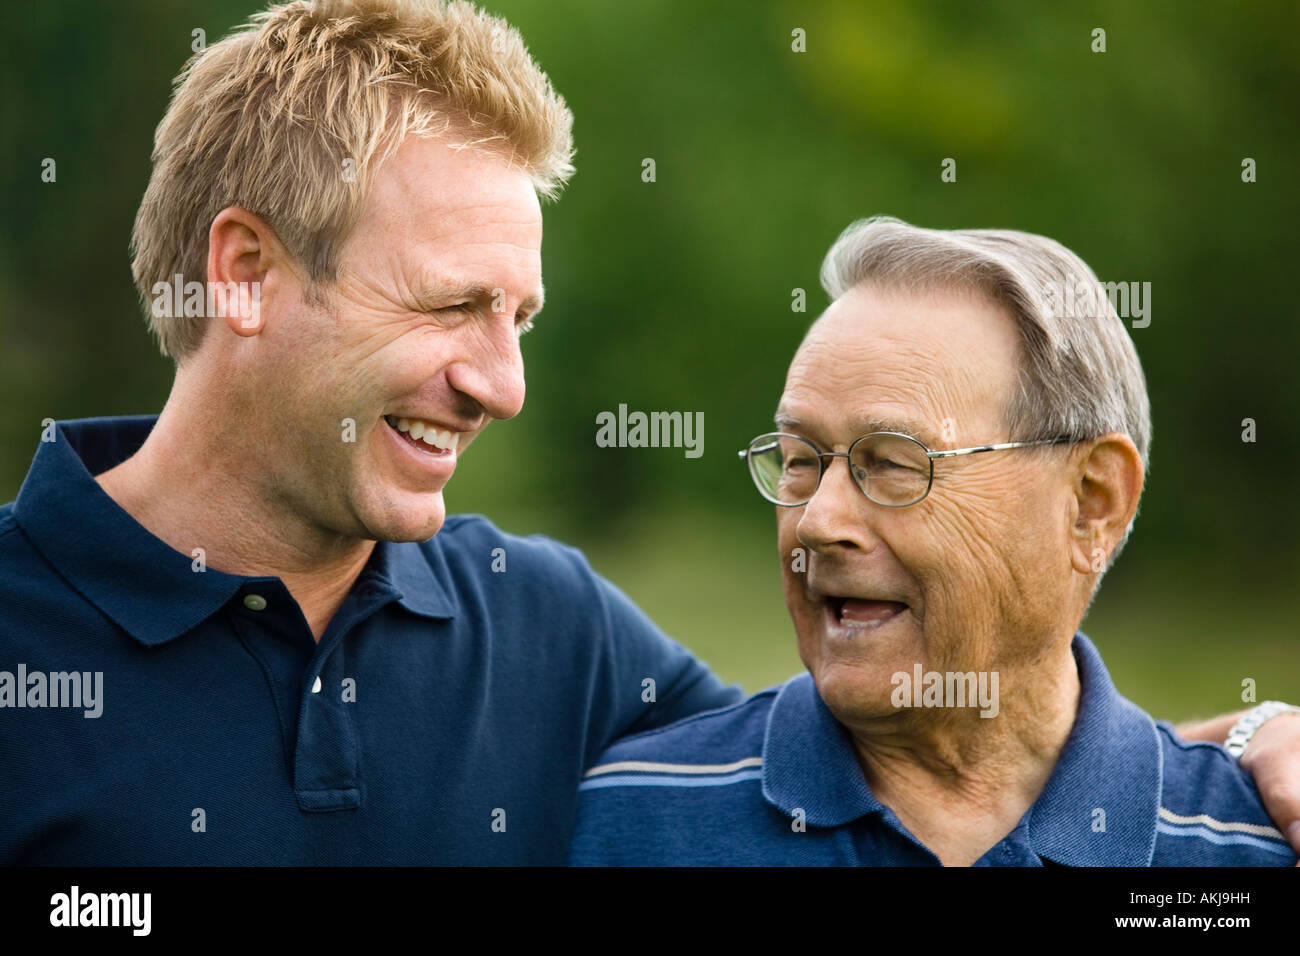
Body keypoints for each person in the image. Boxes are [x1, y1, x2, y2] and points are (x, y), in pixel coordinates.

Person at [0, 1, 1295, 865]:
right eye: (454, 305)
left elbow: (915, 727)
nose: (501, 384)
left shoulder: (545, 627)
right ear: (243, 272)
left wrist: (1233, 749)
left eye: (519, 316)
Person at [569, 217, 1300, 866]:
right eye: (800, 460)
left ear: (1090, 504)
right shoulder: (634, 821)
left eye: (889, 463)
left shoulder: (1247, 849)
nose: (819, 522)